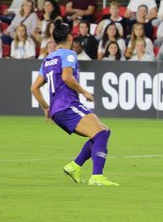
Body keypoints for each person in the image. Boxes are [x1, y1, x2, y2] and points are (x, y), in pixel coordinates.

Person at [30, 23, 118, 186]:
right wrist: (84, 92)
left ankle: (75, 166)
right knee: (100, 134)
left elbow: (34, 88)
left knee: (104, 131)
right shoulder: (69, 54)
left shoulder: (48, 59)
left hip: (58, 110)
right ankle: (97, 177)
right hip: (67, 105)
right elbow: (67, 77)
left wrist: (46, 108)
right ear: (70, 38)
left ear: (54, 40)